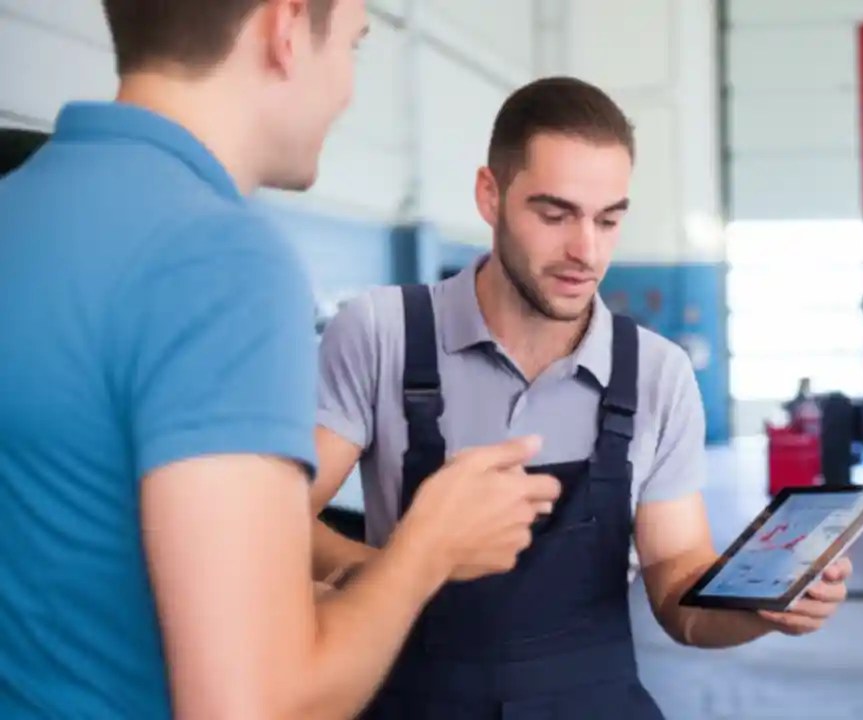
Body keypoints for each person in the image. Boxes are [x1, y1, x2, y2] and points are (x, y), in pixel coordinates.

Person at [0, 1, 559, 718]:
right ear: (287, 27)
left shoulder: (17, 207)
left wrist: (326, 592)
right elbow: (260, 706)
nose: (349, 89)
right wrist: (427, 548)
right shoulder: (217, 259)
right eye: (353, 46)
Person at [308, 76, 854, 718]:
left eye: (608, 219)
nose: (584, 251)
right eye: (555, 213)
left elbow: (678, 583)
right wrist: (384, 571)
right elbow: (269, 521)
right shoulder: (381, 335)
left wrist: (758, 608)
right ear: (490, 195)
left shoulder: (656, 373)